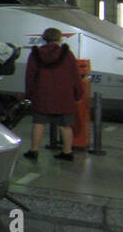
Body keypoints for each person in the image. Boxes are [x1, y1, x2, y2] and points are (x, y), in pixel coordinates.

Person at [23, 27, 83, 162]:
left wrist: (29, 94)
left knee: (39, 123)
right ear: (60, 38)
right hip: (64, 95)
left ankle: (34, 150)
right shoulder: (67, 54)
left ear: (44, 38)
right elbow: (75, 75)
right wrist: (78, 93)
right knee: (65, 125)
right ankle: (67, 152)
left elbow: (30, 76)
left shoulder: (35, 54)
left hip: (42, 94)